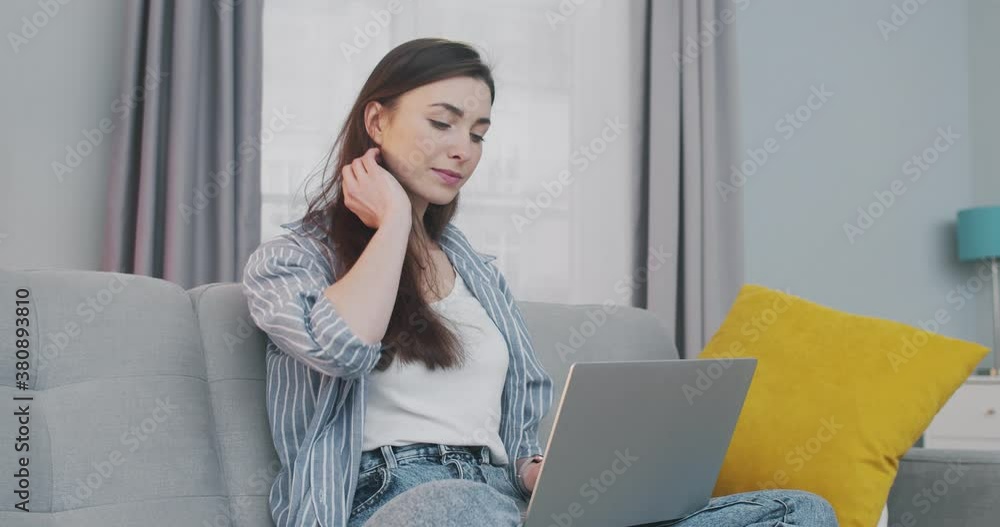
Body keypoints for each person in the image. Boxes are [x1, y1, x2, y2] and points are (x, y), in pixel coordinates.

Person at [241, 37, 839, 527]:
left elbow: (514, 422)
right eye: (442, 123)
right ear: (377, 119)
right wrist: (394, 219)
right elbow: (345, 349)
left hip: (506, 503)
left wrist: (536, 471)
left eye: (477, 133)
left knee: (799, 512)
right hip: (396, 501)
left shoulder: (479, 274)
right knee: (456, 505)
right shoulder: (290, 262)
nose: (462, 150)